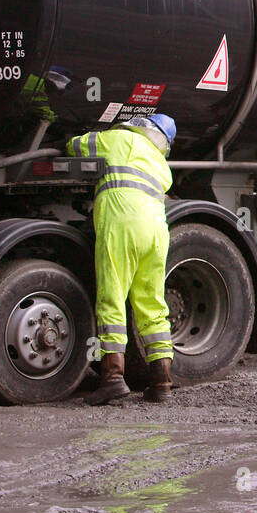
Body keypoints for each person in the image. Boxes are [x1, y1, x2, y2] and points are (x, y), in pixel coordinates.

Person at [67, 113, 178, 404]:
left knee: (112, 299)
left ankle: (113, 378)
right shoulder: (161, 163)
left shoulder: (118, 139)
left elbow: (75, 147)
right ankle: (162, 383)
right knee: (153, 304)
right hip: (156, 232)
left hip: (122, 225)